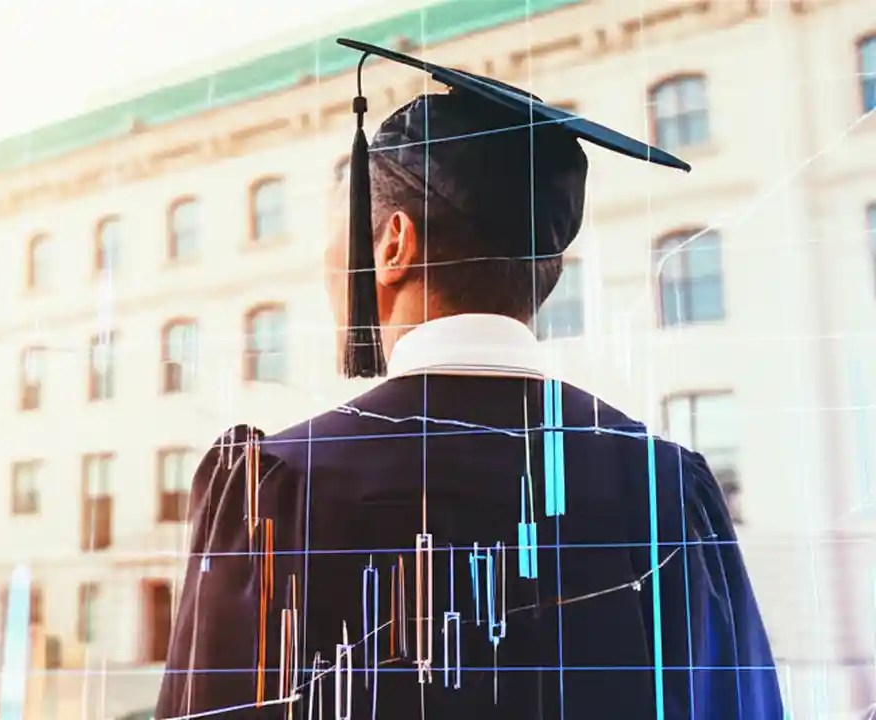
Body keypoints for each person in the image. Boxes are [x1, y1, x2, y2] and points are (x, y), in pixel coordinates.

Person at [155, 39, 781, 719]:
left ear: (393, 246)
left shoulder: (278, 488)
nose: (326, 261)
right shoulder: (661, 487)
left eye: (338, 233)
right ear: (547, 270)